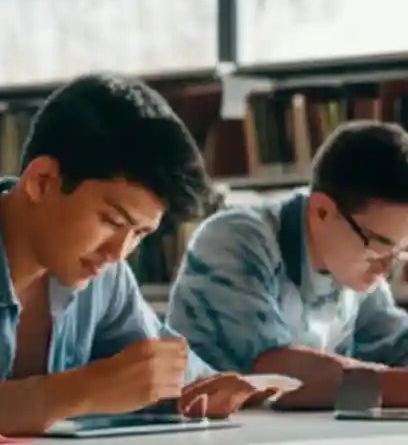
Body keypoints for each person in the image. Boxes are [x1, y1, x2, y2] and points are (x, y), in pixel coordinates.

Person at [0, 73, 270, 445]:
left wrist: (206, 387)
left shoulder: (103, 274)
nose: (119, 252)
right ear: (42, 181)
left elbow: (156, 367)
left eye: (140, 234)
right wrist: (75, 392)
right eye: (112, 219)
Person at [168, 120, 408, 409]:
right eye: (378, 246)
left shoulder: (354, 266)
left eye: (399, 251)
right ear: (322, 211)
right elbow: (277, 370)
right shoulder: (237, 238)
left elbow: (396, 342)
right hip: (203, 439)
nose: (385, 270)